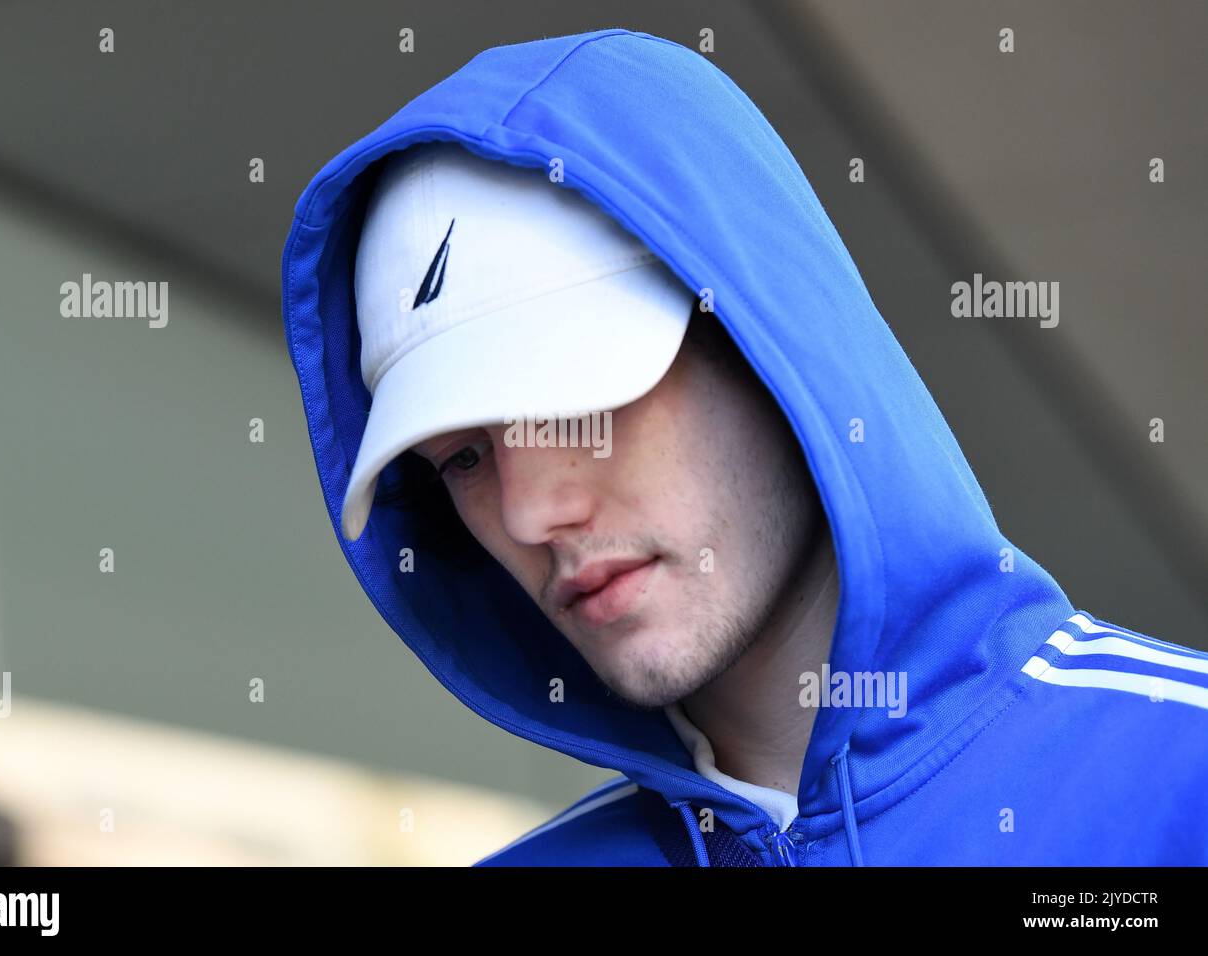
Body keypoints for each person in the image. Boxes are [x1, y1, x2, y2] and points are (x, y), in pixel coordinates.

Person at [281, 28, 1208, 866]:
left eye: (569, 404)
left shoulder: (1180, 778)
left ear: (769, 341)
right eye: (463, 459)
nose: (528, 512)